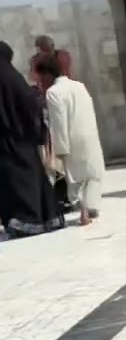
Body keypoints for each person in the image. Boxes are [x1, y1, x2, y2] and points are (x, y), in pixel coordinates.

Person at [0, 41, 64, 239]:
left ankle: (27, 219)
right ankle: (48, 216)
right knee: (34, 175)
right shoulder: (13, 77)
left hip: (9, 141)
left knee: (18, 180)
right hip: (23, 139)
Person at [36, 56, 105, 226]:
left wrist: (60, 150)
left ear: (47, 74)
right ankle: (90, 207)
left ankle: (84, 212)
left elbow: (59, 122)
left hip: (71, 139)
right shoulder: (79, 86)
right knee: (91, 173)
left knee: (75, 178)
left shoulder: (53, 93)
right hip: (88, 135)